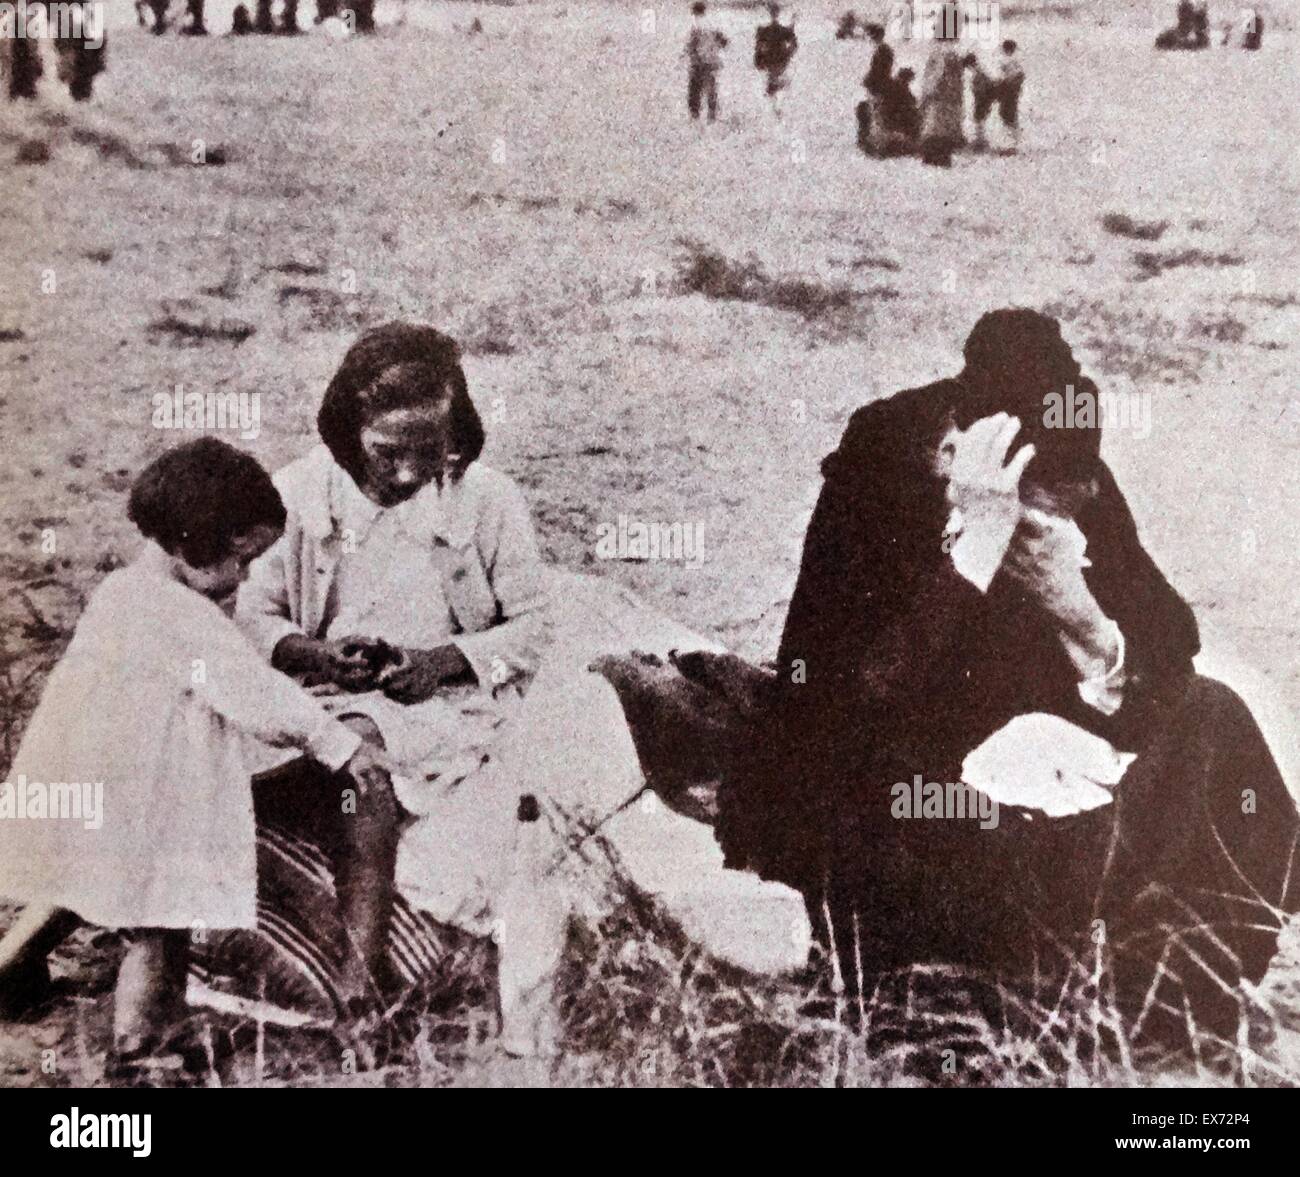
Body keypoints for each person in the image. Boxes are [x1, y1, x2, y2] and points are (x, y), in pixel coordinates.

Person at [717, 308, 1299, 1046]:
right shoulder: (880, 471)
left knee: (1213, 712)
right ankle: (1019, 1005)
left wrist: (1082, 615)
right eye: (1036, 512)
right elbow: (828, 707)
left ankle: (1185, 991)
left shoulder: (1061, 462)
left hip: (1044, 772)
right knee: (946, 820)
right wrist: (968, 563)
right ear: (965, 458)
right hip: (900, 791)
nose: (1060, 523)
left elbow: (1170, 635)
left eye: (1077, 503)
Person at [234, 324, 808, 1053]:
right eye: (387, 453)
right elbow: (251, 616)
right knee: (311, 760)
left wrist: (441, 661)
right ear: (347, 431)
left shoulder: (487, 501)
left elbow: (535, 624)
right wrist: (316, 651)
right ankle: (337, 960)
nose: (409, 472)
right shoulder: (298, 494)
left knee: (424, 775)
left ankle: (367, 982)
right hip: (324, 692)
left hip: (447, 704)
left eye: (429, 450)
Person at [0, 440, 396, 1077]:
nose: (243, 578)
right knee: (159, 923)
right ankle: (138, 1049)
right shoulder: (182, 614)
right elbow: (254, 695)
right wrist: (336, 742)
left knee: (90, 891)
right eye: (240, 560)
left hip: (89, 779)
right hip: (143, 797)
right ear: (191, 542)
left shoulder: (126, 590)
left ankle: (15, 972)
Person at [917, 10, 965, 166]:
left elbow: (935, 77)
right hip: (951, 98)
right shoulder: (954, 53)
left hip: (938, 98)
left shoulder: (940, 53)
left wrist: (926, 96)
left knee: (935, 129)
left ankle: (934, 158)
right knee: (945, 129)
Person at [969, 40, 1024, 152]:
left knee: (985, 113)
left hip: (996, 83)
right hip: (1001, 83)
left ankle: (1007, 143)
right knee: (1007, 114)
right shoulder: (1012, 61)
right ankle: (1011, 143)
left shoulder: (1004, 61)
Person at [685, 1, 727, 124]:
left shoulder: (696, 27)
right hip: (712, 62)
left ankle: (695, 116)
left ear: (695, 12)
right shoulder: (713, 25)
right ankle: (712, 116)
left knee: (695, 90)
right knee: (711, 89)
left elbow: (692, 46)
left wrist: (688, 56)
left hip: (699, 63)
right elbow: (724, 42)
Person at [856, 23, 894, 152]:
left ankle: (873, 141)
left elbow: (879, 71)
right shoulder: (884, 49)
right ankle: (871, 139)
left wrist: (869, 81)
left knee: (875, 113)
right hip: (879, 86)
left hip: (879, 87)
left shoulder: (882, 50)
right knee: (873, 112)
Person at [754, 4, 798, 118]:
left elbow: (758, 47)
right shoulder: (783, 30)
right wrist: (788, 53)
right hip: (782, 60)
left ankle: (776, 107)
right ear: (778, 14)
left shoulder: (764, 30)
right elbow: (794, 44)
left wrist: (759, 59)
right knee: (782, 83)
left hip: (769, 60)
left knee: (773, 83)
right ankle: (778, 107)